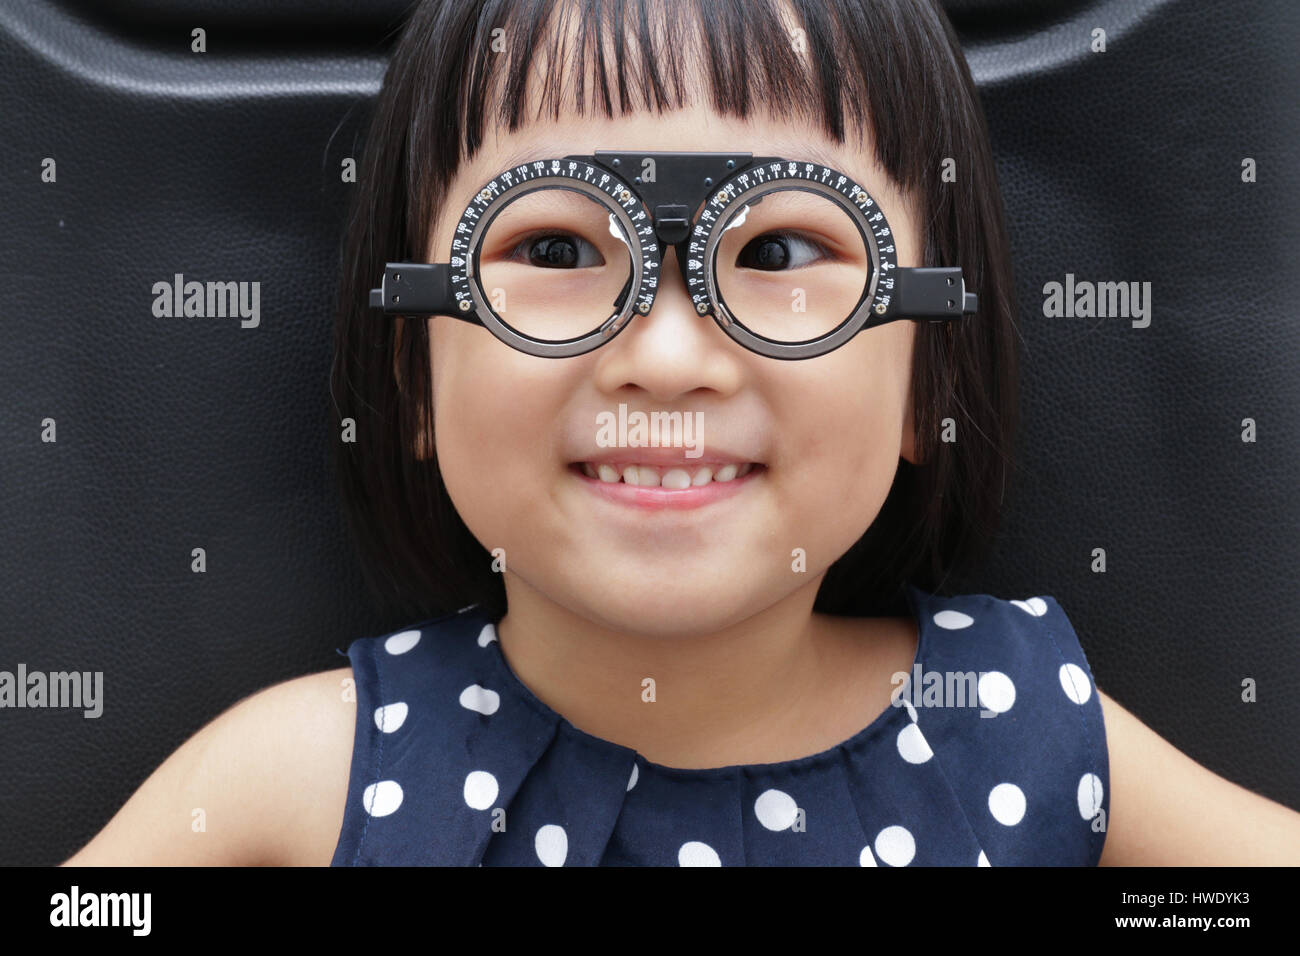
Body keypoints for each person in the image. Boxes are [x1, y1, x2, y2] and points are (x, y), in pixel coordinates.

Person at [63, 0, 1300, 866]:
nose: (664, 358)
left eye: (776, 249)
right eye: (550, 249)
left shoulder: (1018, 716)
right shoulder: (301, 773)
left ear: (929, 364)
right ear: (412, 370)